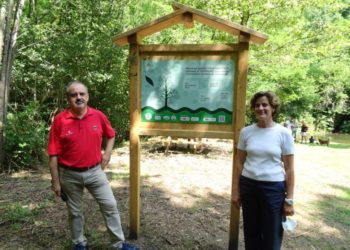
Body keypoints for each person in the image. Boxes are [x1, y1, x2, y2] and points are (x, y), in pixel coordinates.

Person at [48, 81, 125, 250]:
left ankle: (119, 244)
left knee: (110, 206)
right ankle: (79, 243)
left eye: (82, 94)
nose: (78, 97)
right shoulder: (60, 120)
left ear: (88, 96)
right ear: (68, 99)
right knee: (75, 212)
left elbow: (111, 135)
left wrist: (108, 153)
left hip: (95, 172)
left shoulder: (98, 115)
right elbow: (53, 154)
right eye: (74, 95)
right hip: (69, 175)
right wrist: (55, 181)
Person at [232, 91, 295, 250]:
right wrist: (235, 191)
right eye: (257, 105)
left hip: (273, 189)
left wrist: (289, 200)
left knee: (272, 232)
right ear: (253, 108)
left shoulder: (284, 133)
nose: (261, 108)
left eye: (265, 104)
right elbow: (239, 163)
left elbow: (289, 169)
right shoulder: (246, 132)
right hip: (249, 186)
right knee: (251, 231)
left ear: (273, 108)